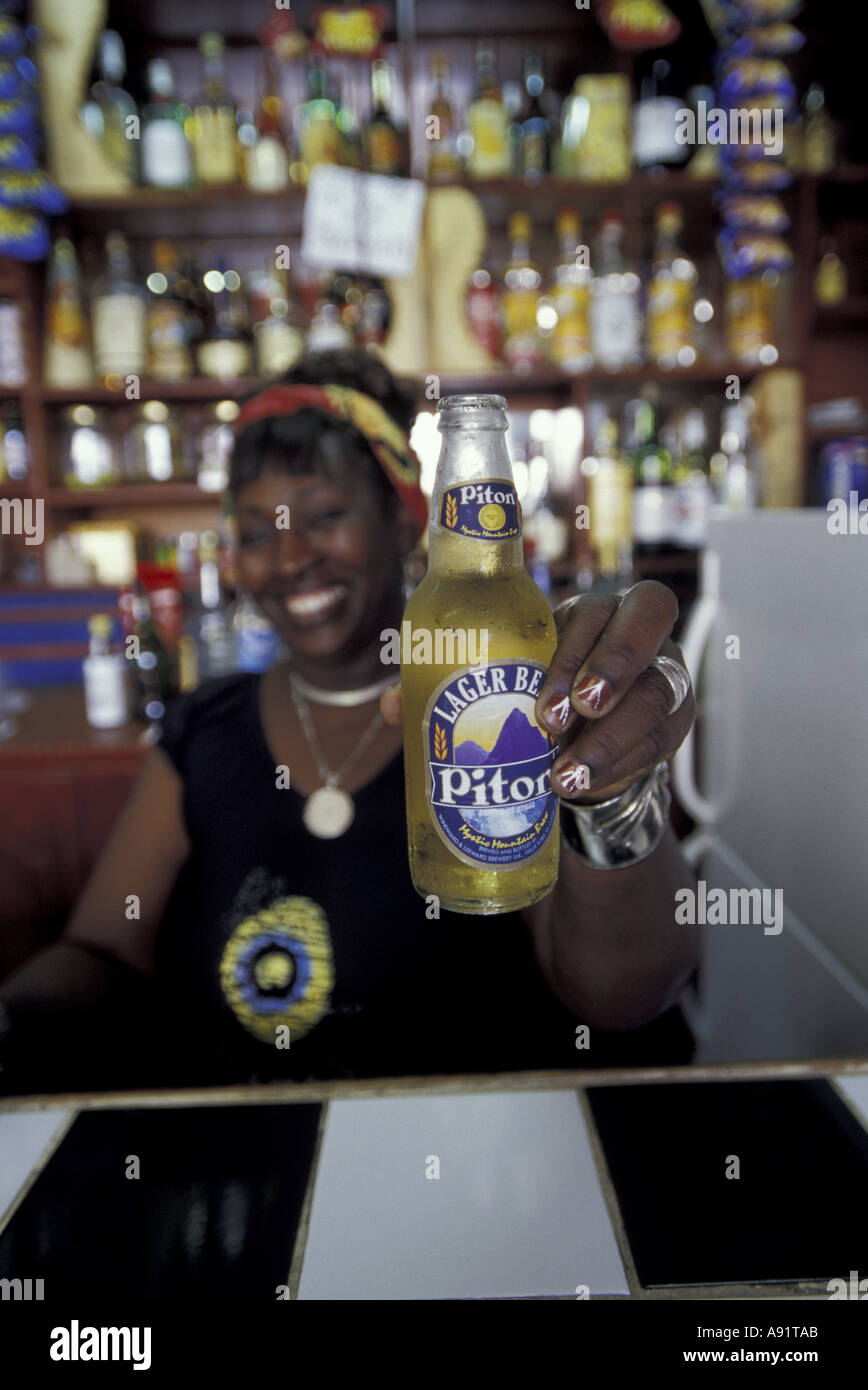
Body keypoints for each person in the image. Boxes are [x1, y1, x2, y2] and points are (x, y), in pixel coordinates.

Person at [0, 350, 701, 1092]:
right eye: (256, 533)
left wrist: (615, 795)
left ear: (406, 526)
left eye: (325, 516)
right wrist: (15, 1017)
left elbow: (625, 997)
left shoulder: (512, 703)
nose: (290, 557)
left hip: (478, 1165)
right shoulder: (202, 729)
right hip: (259, 1163)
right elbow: (103, 954)